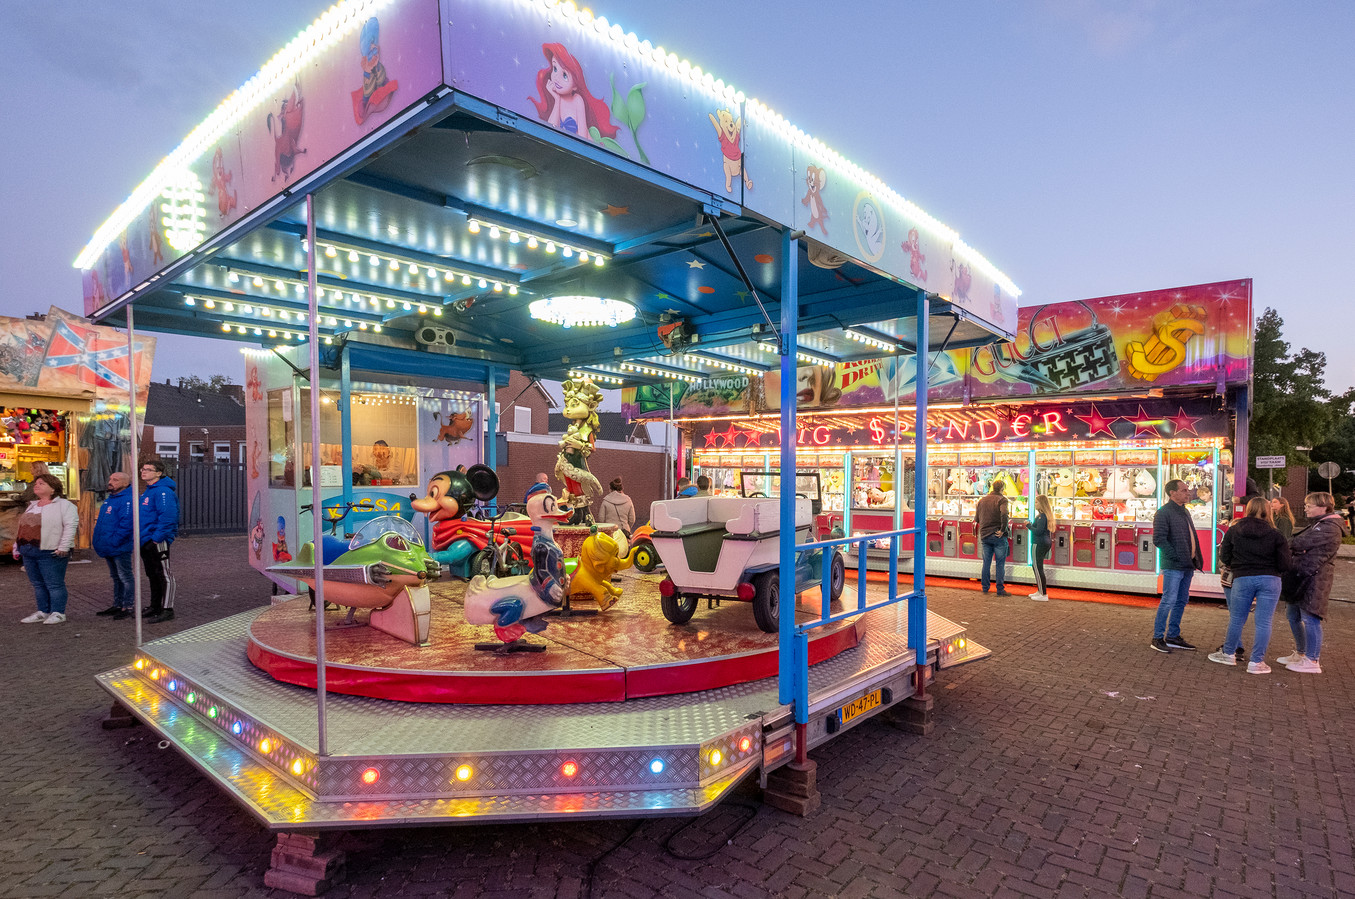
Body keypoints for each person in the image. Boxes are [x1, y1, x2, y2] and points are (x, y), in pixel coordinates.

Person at [1210, 497, 1291, 674]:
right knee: (1264, 622)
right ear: (1268, 511)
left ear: (1248, 510)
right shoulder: (1275, 534)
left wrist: (1237, 564)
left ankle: (1229, 654)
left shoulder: (1234, 530)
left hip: (1243, 577)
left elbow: (1224, 556)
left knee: (1237, 618)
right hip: (1270, 579)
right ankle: (1256, 662)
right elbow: (1285, 563)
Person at [1278, 492, 1347, 674]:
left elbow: (1300, 542)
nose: (1306, 508)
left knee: (1311, 618)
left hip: (1314, 578)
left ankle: (1312, 660)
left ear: (1324, 507)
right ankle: (1302, 653)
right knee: (1293, 615)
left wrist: (1296, 548)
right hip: (1302, 576)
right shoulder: (1319, 524)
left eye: (1309, 505)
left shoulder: (1329, 527)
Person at [13, 473, 79, 625]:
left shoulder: (65, 505)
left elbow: (70, 526)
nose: (37, 485)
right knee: (37, 583)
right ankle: (43, 611)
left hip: (50, 550)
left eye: (42, 483)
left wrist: (64, 546)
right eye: (36, 483)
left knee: (54, 583)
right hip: (29, 550)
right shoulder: (33, 505)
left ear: (53, 488)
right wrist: (17, 546)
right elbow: (22, 528)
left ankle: (58, 612)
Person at [1150, 478, 1203, 653]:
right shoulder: (1164, 513)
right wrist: (1177, 556)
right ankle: (1158, 637)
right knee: (1168, 600)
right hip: (1175, 565)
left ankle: (1173, 635)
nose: (1188, 493)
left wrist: (1194, 558)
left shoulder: (1183, 511)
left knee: (1181, 600)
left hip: (1187, 564)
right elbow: (1159, 539)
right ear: (1172, 493)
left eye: (1187, 490)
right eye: (1184, 490)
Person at [138, 460, 180, 623]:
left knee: (163, 574)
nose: (144, 472)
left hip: (156, 540)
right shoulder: (149, 491)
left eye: (148, 469)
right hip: (146, 540)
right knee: (152, 574)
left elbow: (168, 517)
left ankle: (167, 608)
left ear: (158, 473)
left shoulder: (163, 492)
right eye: (143, 469)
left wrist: (156, 539)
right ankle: (155, 605)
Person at [93, 472, 137, 621]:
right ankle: (118, 604)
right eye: (110, 479)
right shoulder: (111, 499)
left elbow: (127, 524)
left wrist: (114, 541)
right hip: (109, 545)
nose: (110, 481)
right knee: (116, 577)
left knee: (125, 576)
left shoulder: (127, 500)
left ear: (125, 483)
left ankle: (127, 606)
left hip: (119, 546)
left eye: (115, 480)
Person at [974, 479, 1010, 596]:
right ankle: (1000, 589)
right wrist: (1003, 529)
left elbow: (977, 519)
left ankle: (985, 587)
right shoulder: (1002, 500)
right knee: (1000, 564)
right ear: (1001, 489)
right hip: (997, 535)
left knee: (986, 563)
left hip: (984, 535)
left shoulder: (982, 500)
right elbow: (1004, 514)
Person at [1029, 494, 1054, 601]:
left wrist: (1028, 526)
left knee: (1037, 568)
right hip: (1044, 542)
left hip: (1038, 543)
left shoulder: (1041, 516)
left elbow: (1038, 531)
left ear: (1041, 504)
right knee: (1038, 567)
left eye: (1036, 502)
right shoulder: (1045, 516)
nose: (1035, 504)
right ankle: (1040, 590)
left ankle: (1043, 594)